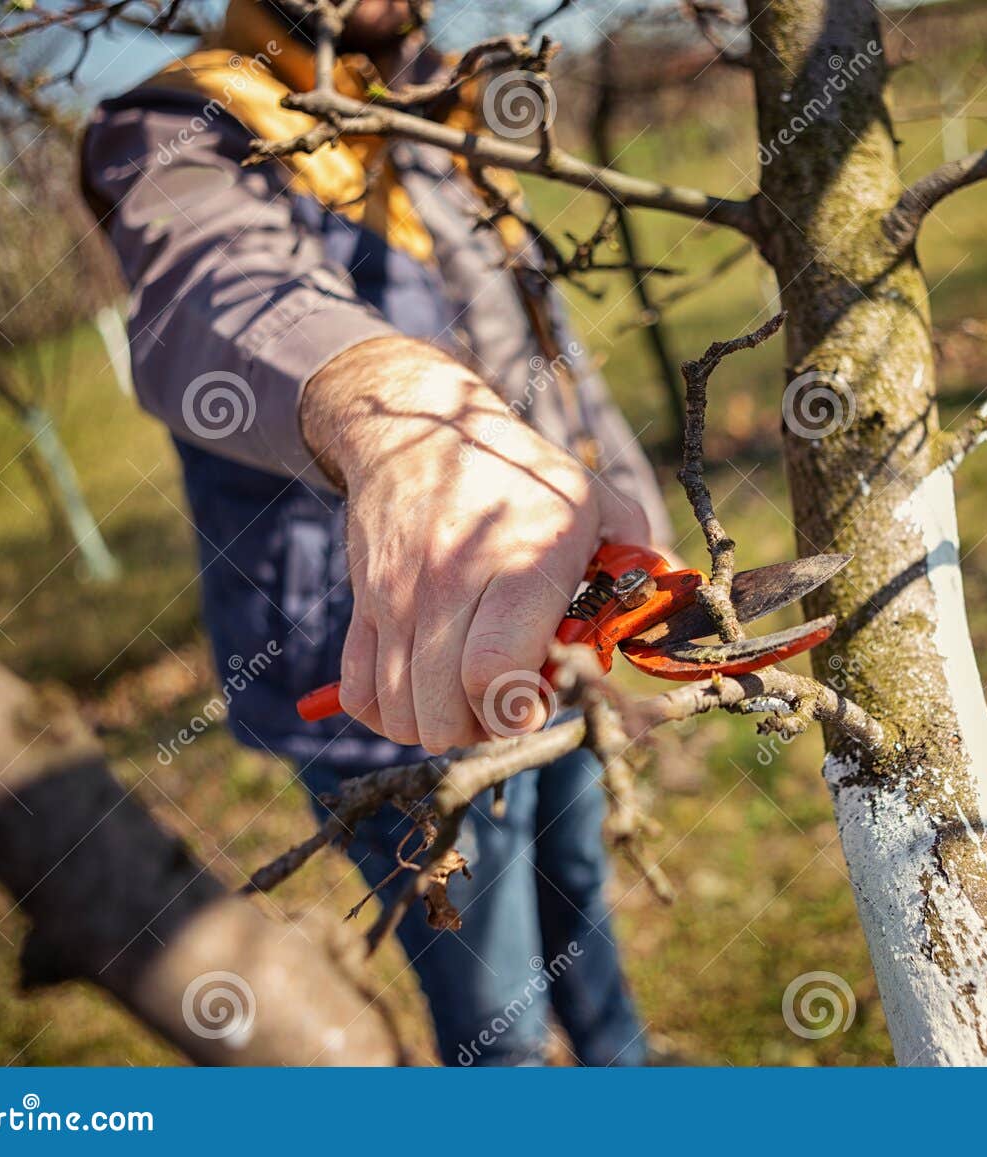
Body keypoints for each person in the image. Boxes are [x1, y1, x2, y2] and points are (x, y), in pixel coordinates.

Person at [81, 0, 672, 1066]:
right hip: (387, 676)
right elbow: (218, 287)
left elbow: (554, 356)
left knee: (575, 885)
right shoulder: (184, 123)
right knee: (491, 1001)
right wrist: (391, 407)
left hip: (555, 609)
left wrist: (640, 535)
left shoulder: (439, 114)